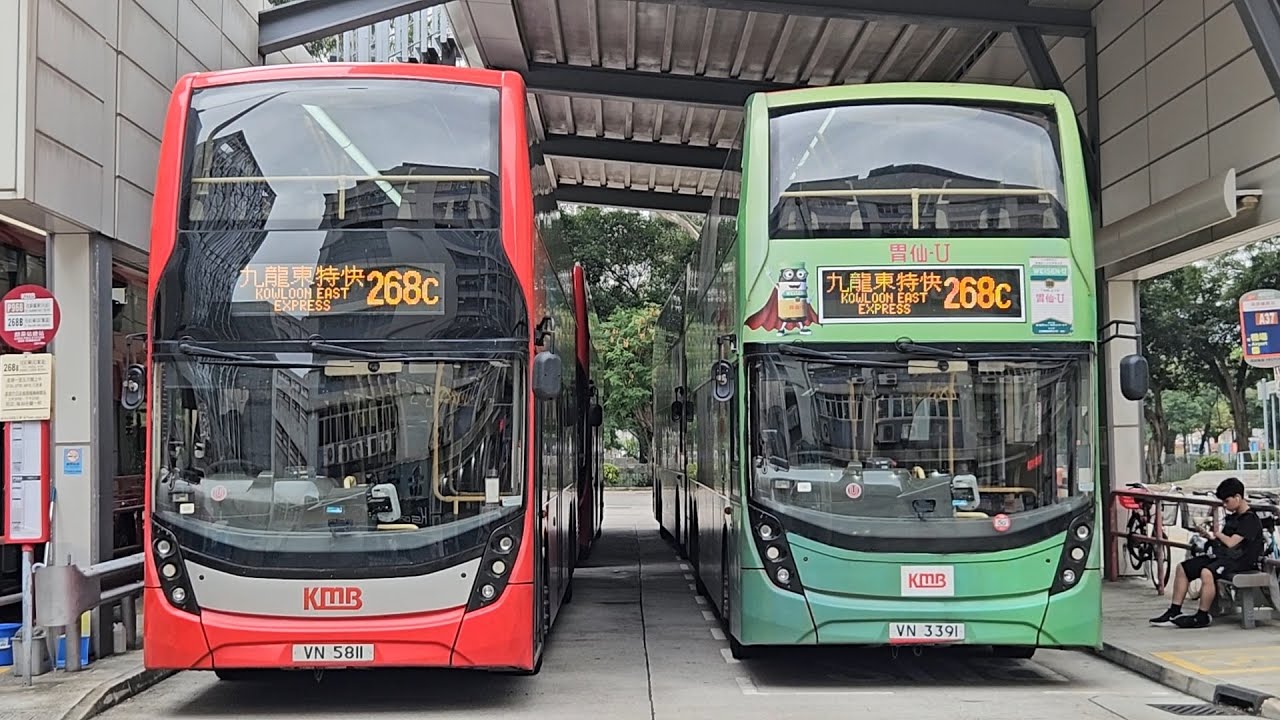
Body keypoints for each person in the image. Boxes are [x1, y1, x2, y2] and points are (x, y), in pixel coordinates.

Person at [1149, 477, 1265, 628]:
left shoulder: (1250, 519)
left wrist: (1216, 534)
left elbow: (1231, 542)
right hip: (1225, 556)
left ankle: (1202, 615)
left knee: (1206, 572)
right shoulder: (1233, 517)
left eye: (1226, 501)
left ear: (1238, 497)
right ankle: (1174, 610)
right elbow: (1225, 542)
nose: (1224, 505)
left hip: (1241, 561)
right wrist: (1209, 536)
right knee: (1183, 568)